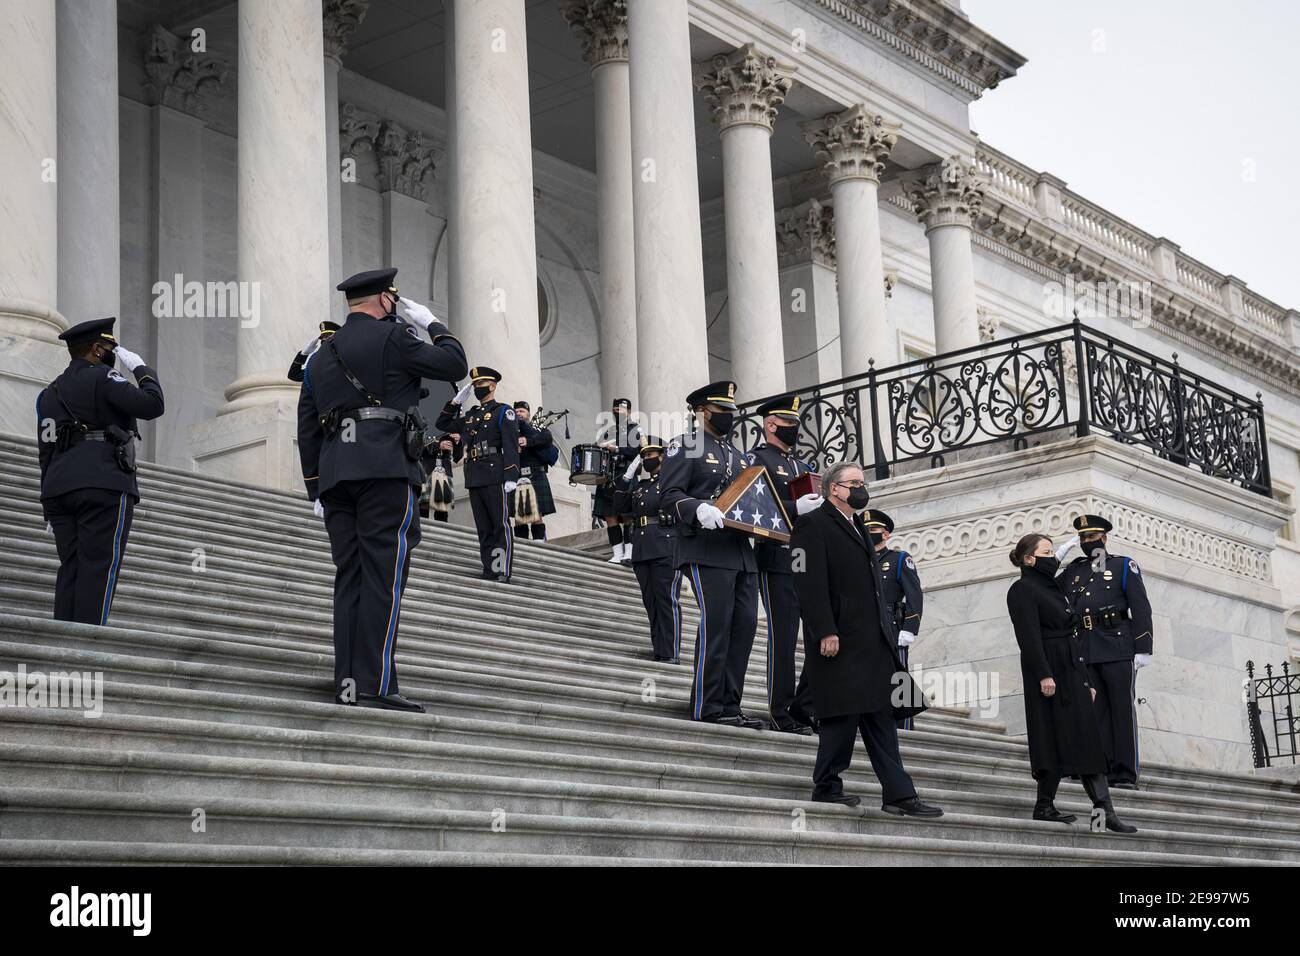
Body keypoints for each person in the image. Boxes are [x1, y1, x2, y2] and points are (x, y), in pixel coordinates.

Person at [297, 268, 467, 711]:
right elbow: (454, 364)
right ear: (386, 300)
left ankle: (348, 683)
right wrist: (432, 324)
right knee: (383, 578)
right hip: (385, 469)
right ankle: (374, 683)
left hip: (337, 475)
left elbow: (307, 424)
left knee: (349, 577)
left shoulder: (320, 355)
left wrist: (315, 487)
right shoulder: (394, 339)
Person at [789, 460, 942, 815]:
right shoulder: (811, 524)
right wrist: (824, 629)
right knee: (841, 716)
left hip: (871, 641)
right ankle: (827, 785)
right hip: (839, 639)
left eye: (862, 481)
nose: (861, 487)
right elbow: (805, 582)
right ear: (834, 489)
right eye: (853, 482)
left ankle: (899, 795)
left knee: (879, 715)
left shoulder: (857, 524)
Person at [36, 317, 165, 625]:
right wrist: (141, 370)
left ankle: (63, 642)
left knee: (71, 567)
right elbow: (152, 404)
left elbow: (46, 449)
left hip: (58, 489)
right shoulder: (104, 377)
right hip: (103, 481)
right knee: (98, 566)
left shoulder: (48, 394)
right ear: (96, 350)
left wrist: (47, 502)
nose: (113, 354)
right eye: (110, 348)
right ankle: (87, 649)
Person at [1006, 532, 1138, 832]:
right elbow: (1028, 637)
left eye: (1053, 551)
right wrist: (1043, 674)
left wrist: (1086, 679)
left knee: (1086, 736)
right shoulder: (1022, 589)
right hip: (1049, 671)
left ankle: (1103, 812)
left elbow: (1072, 635)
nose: (1053, 556)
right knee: (1050, 737)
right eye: (1047, 551)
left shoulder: (1053, 586)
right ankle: (1045, 805)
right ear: (1029, 558)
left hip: (1071, 668)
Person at [659, 380, 763, 729]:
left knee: (745, 625)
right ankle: (707, 705)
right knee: (718, 623)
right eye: (722, 412)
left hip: (739, 551)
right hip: (704, 549)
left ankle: (731, 703)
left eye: (731, 412)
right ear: (702, 411)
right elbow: (668, 494)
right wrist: (697, 508)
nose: (728, 417)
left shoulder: (738, 455)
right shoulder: (686, 446)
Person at [1055, 514, 1153, 790]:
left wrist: (1143, 646)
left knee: (1121, 708)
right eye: (1083, 538)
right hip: (1085, 647)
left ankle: (1124, 772)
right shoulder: (1074, 570)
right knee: (1091, 710)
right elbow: (1044, 584)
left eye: (1092, 537)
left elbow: (1141, 607)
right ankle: (1097, 766)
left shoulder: (1123, 566)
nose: (1088, 542)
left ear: (1104, 538)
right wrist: (1061, 552)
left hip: (1118, 645)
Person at [748, 394, 820, 735]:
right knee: (784, 637)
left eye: (796, 423)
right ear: (771, 425)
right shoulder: (757, 460)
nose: (794, 428)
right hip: (777, 556)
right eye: (788, 424)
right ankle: (781, 709)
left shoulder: (802, 467)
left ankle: (806, 706)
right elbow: (753, 508)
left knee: (822, 633)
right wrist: (795, 510)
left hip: (809, 560)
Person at [435, 366, 520, 582]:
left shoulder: (503, 411)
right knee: (483, 527)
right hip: (474, 473)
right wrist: (455, 402)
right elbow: (441, 424)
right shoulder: (471, 415)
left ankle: (501, 570)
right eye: (474, 386)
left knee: (499, 524)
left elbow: (510, 446)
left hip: (495, 472)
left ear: (492, 386)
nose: (477, 388)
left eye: (480, 385)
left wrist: (511, 475)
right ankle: (488, 569)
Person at [623, 436, 683, 663]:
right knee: (651, 602)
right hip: (642, 548)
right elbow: (620, 506)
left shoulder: (671, 483)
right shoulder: (641, 487)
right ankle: (660, 648)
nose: (647, 459)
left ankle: (671, 652)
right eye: (644, 456)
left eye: (651, 455)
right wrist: (628, 476)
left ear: (662, 456)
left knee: (667, 599)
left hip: (665, 546)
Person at [865, 509, 923, 731]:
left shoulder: (899, 559)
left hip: (892, 627)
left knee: (898, 678)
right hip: (866, 627)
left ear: (886, 534)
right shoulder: (860, 561)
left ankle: (904, 727)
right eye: (866, 530)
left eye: (874, 530)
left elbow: (914, 595)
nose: (869, 533)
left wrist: (909, 627)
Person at [594, 396, 641, 563]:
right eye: (615, 410)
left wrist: (617, 449)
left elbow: (638, 451)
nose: (617, 412)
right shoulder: (609, 431)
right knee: (610, 516)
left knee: (627, 515)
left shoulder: (635, 429)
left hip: (625, 475)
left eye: (620, 409)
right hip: (609, 476)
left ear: (628, 411)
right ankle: (617, 554)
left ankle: (629, 552)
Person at [511, 400, 556, 541]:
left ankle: (539, 545)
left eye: (522, 411)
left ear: (528, 414)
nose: (519, 414)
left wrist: (528, 441)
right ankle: (521, 547)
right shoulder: (509, 432)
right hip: (517, 475)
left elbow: (547, 438)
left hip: (535, 474)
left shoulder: (538, 429)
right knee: (519, 517)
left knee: (536, 514)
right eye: (516, 411)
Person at [420, 431, 461, 522]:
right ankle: (421, 535)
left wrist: (458, 442)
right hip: (426, 471)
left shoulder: (448, 426)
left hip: (444, 473)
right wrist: (438, 446)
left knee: (442, 509)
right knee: (423, 508)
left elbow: (458, 457)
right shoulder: (421, 423)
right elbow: (417, 448)